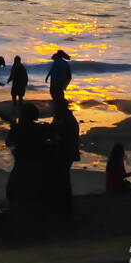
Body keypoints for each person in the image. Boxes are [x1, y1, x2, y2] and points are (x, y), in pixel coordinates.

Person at [48, 89, 81, 219]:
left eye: (55, 106)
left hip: (66, 152)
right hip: (62, 151)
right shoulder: (61, 117)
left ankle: (65, 207)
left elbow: (67, 139)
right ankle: (62, 204)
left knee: (62, 177)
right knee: (60, 177)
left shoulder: (69, 120)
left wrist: (54, 136)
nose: (53, 108)